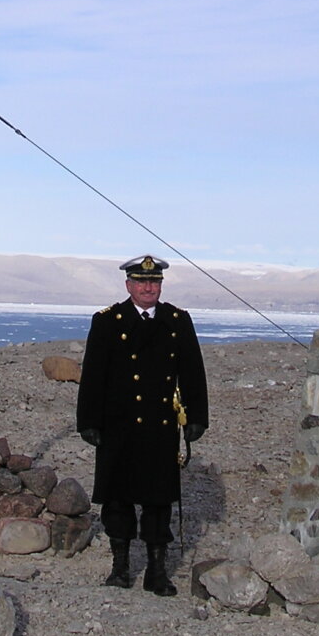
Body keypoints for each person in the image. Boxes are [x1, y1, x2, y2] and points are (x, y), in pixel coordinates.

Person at [76, 254, 208, 596]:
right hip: (117, 426)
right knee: (117, 500)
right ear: (129, 285)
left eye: (154, 282)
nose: (149, 287)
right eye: (142, 282)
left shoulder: (177, 320)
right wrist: (88, 421)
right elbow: (93, 375)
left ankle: (157, 572)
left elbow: (192, 373)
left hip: (159, 426)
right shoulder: (107, 321)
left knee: (158, 500)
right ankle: (120, 569)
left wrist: (196, 417)